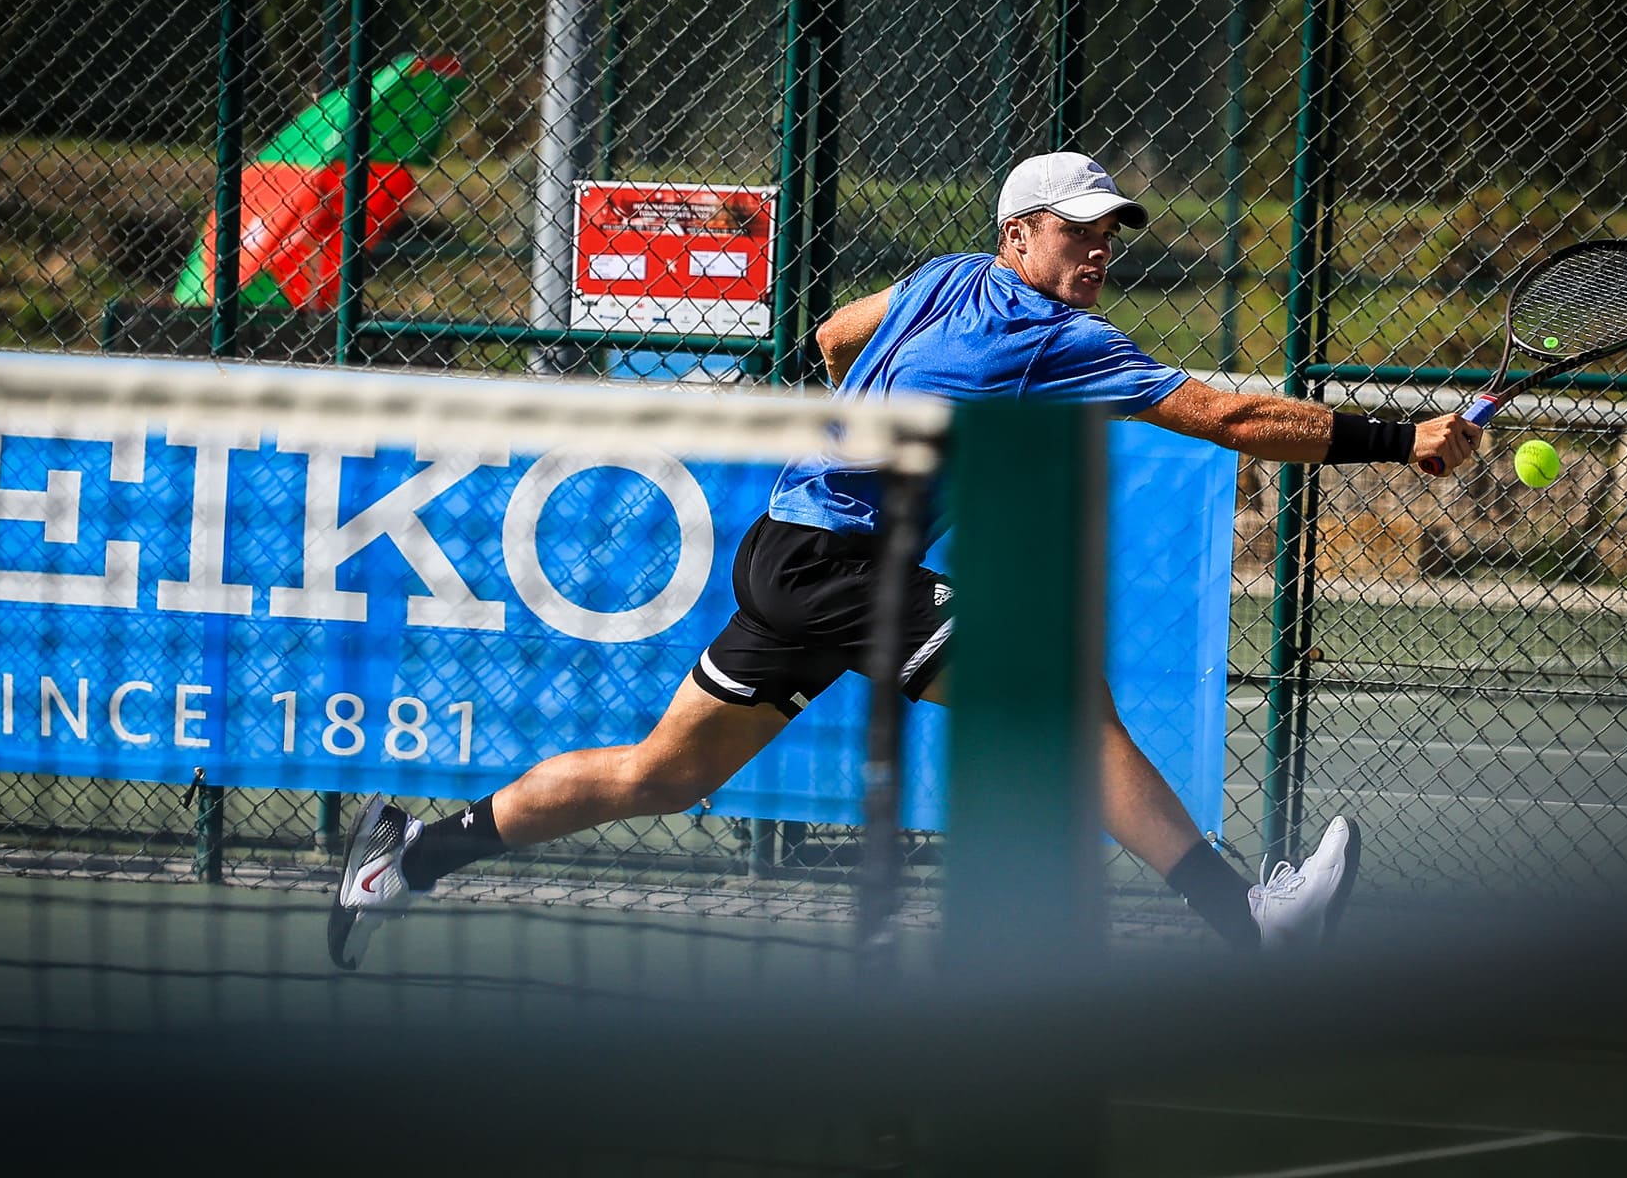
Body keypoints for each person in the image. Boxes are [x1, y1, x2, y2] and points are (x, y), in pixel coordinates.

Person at [327, 151, 1482, 970]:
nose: (1099, 251)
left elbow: (836, 333)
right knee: (1068, 708)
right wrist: (1399, 436)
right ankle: (1251, 924)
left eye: (1109, 233)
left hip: (785, 551)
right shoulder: (1057, 337)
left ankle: (407, 859)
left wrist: (885, 438)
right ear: (1018, 235)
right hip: (834, 567)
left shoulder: (939, 277)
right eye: (1078, 230)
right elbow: (1227, 416)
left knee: (661, 774)